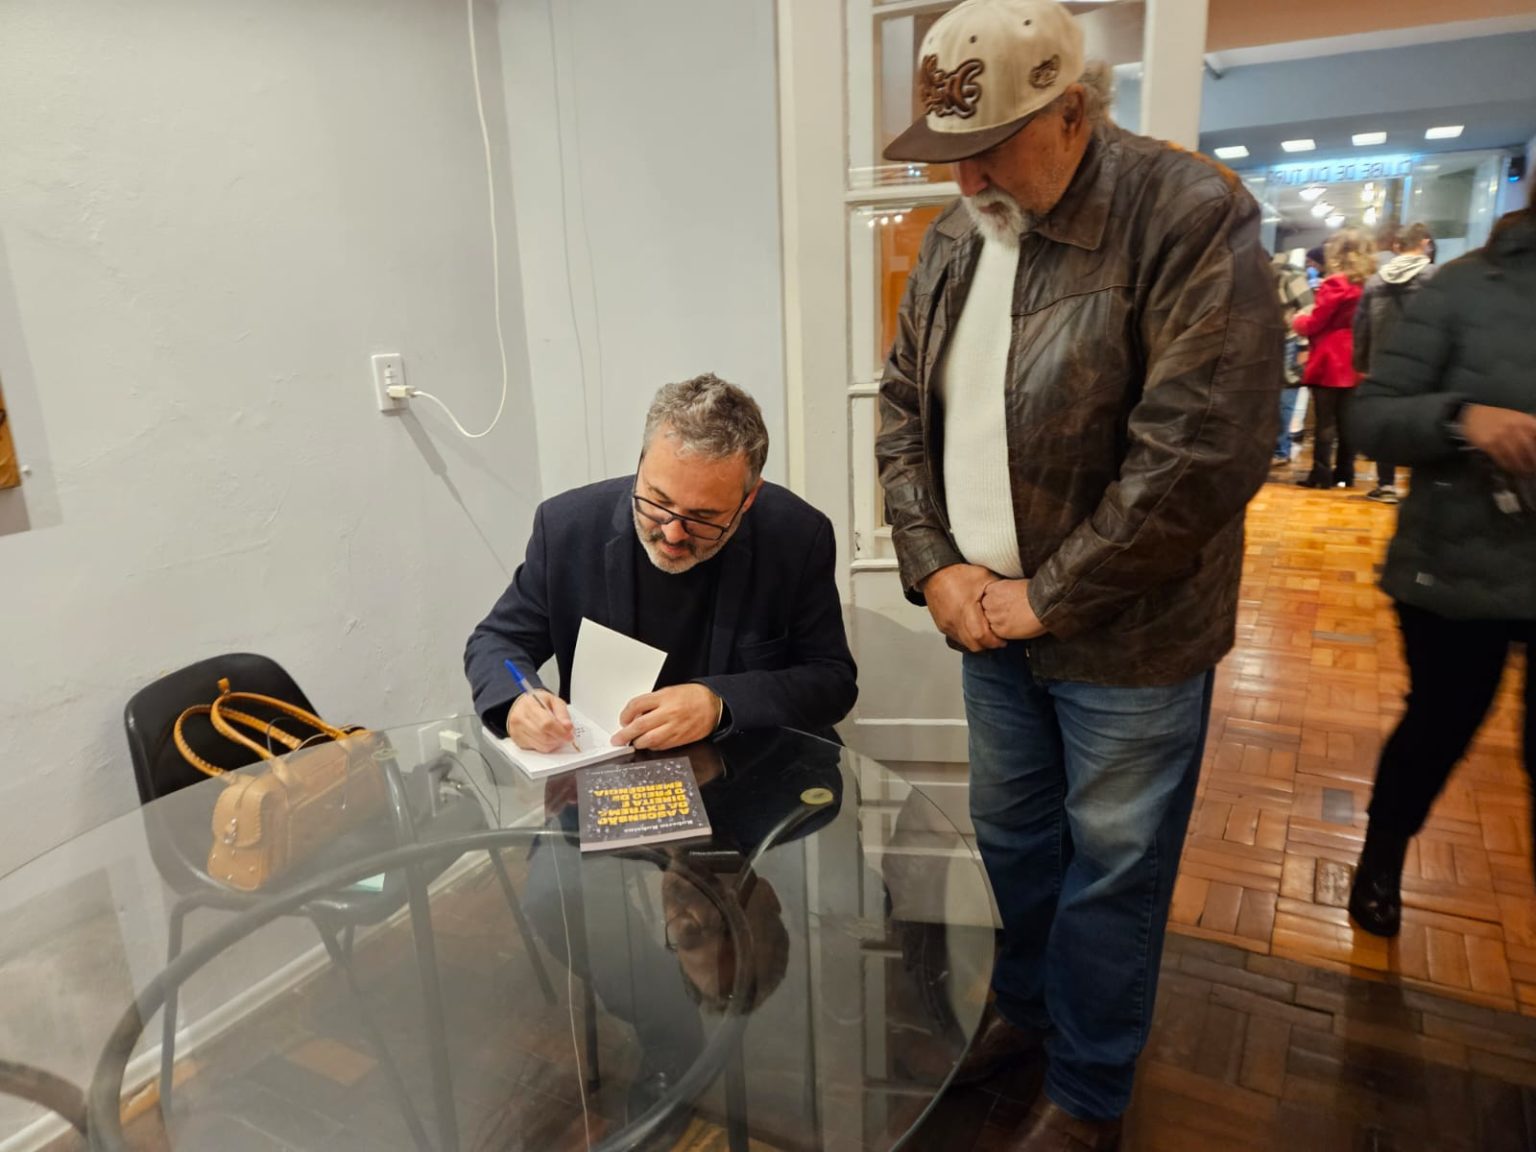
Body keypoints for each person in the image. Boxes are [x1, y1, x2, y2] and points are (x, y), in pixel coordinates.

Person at [874, 1, 1282, 1146]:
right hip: (989, 626)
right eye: (949, 154)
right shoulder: (966, 234)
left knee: (1114, 873)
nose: (964, 181)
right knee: (1014, 844)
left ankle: (1093, 1089)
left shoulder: (1188, 212)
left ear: (1072, 112)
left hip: (1129, 639)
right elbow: (902, 412)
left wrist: (1044, 596)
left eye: (989, 146)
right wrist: (936, 567)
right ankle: (1022, 1012)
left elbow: (1202, 451)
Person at [465, 373, 857, 750]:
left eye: (703, 517)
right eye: (658, 501)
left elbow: (831, 680)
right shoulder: (569, 528)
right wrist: (518, 699)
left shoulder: (796, 536)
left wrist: (719, 704)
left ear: (749, 498)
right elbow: (498, 640)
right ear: (640, 463)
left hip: (749, 774)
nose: (672, 534)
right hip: (610, 770)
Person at [1345, 190, 1536, 938]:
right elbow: (1373, 416)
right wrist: (1463, 419)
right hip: (1457, 561)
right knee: (1441, 723)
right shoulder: (1464, 286)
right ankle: (1381, 856)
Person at [1353, 222, 1437, 504]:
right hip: (1424, 362)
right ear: (1425, 243)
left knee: (1387, 423)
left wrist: (1362, 362)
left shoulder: (1376, 280)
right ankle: (1418, 488)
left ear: (1397, 247)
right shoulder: (1437, 277)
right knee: (1421, 424)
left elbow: (1361, 326)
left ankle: (1386, 485)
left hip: (1383, 362)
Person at [1294, 228, 1372, 489]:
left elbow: (1316, 322)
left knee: (1325, 421)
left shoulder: (1334, 283)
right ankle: (1345, 473)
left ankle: (1321, 475)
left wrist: (1298, 322)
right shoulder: (1368, 282)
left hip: (1330, 355)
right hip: (1356, 355)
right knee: (1347, 421)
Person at [1273, 251, 1314, 467]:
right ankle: (1278, 448)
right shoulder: (1273, 274)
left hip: (1289, 339)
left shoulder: (1290, 276)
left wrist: (1303, 345)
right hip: (1272, 339)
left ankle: (1281, 449)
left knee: (1285, 394)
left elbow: (1308, 309)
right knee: (1275, 397)